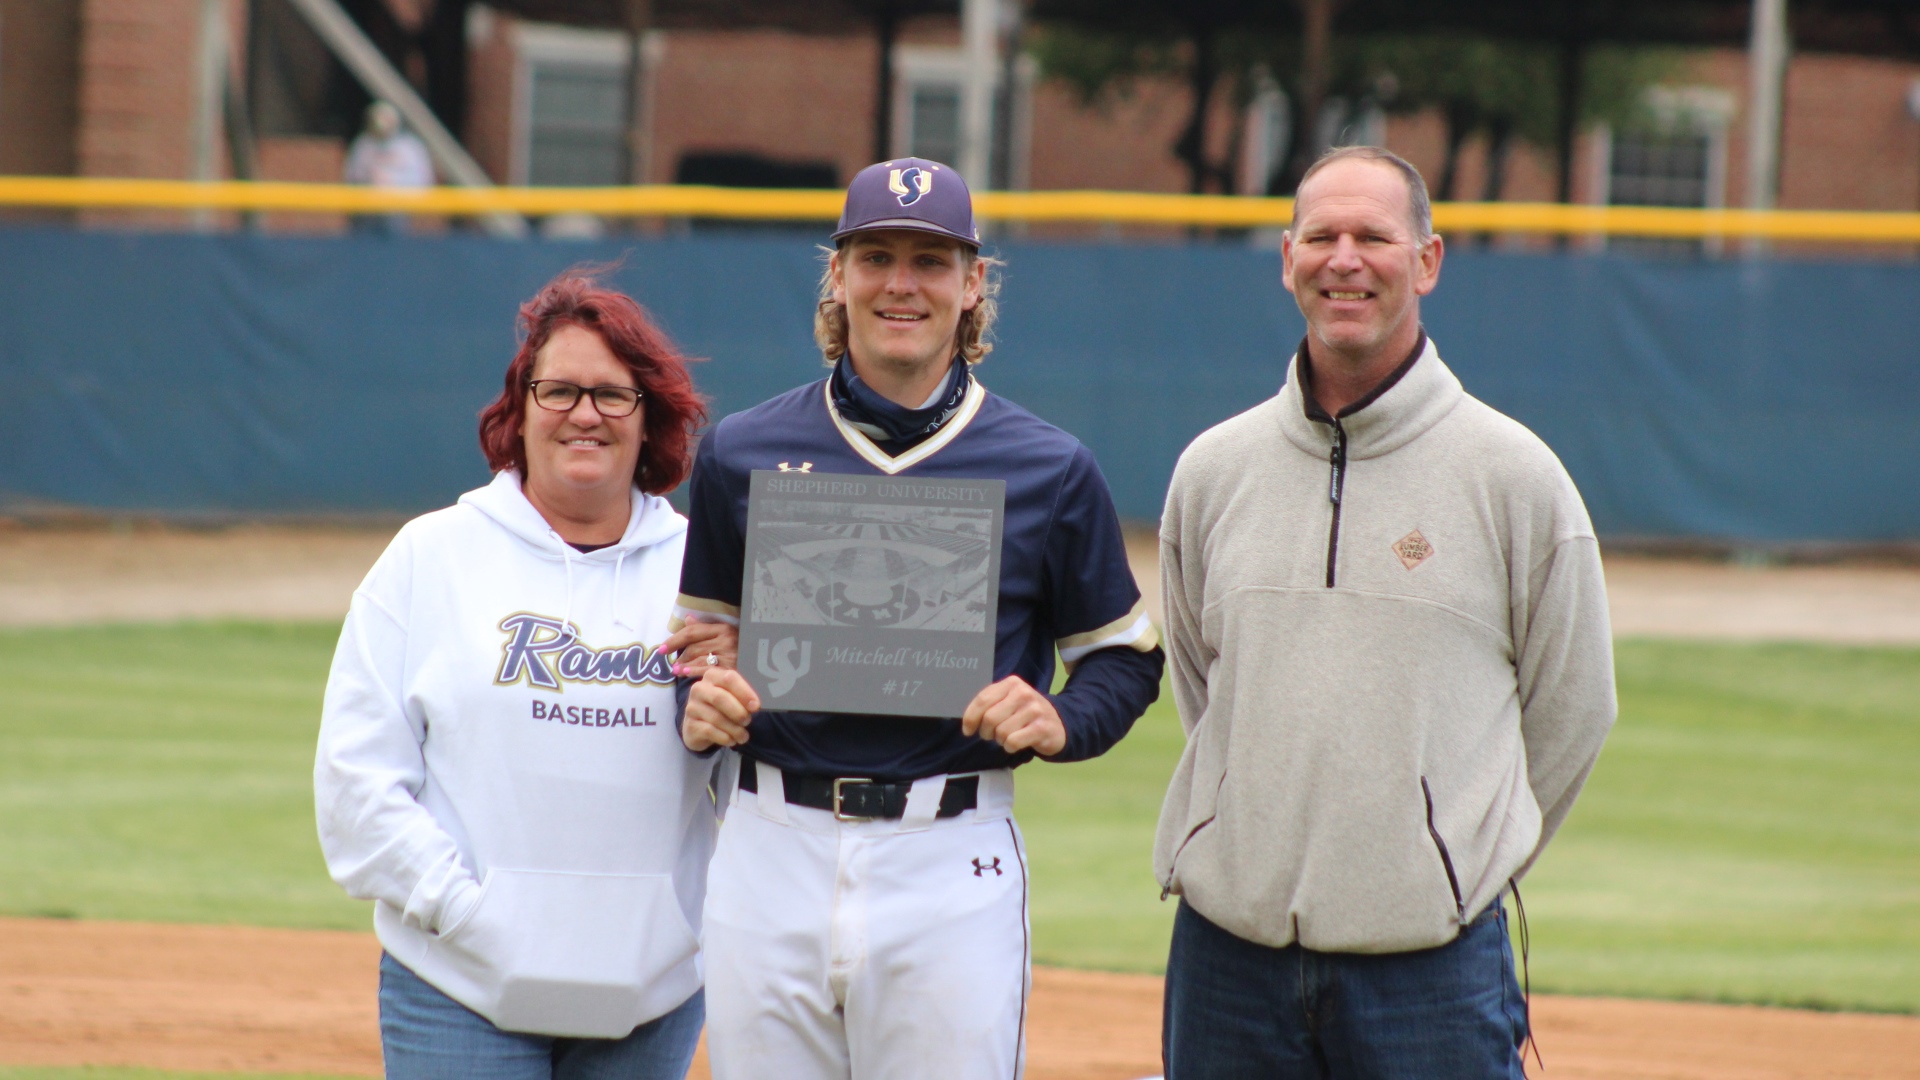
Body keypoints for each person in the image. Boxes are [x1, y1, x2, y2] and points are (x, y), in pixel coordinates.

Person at [672, 157, 1165, 1080]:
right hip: (769, 848)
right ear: (838, 275)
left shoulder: (1049, 466)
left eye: (930, 261)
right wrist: (697, 703)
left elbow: (1125, 658)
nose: (901, 283)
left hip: (951, 856)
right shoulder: (742, 452)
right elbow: (694, 652)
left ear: (973, 284)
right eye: (877, 257)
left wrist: (1061, 718)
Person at [1154, 145, 1616, 1078]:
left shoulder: (1514, 475)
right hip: (1227, 959)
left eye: (1374, 236)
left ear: (1428, 261)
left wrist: (1451, 864)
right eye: (1321, 236)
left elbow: (1574, 708)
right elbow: (1205, 688)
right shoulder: (1213, 470)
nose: (1345, 259)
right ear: (1287, 258)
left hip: (1431, 972)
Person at [315, 270, 735, 1078]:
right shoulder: (432, 555)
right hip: (459, 982)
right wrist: (460, 913)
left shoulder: (704, 571)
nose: (585, 413)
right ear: (520, 407)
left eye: (612, 395)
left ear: (650, 417)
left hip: (652, 989)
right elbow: (355, 780)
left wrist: (690, 923)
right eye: (560, 390)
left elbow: (759, 781)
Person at [344, 100, 434, 236]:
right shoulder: (363, 145)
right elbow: (351, 177)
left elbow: (424, 181)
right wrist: (370, 181)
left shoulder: (410, 147)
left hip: (401, 211)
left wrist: (394, 184)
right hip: (368, 212)